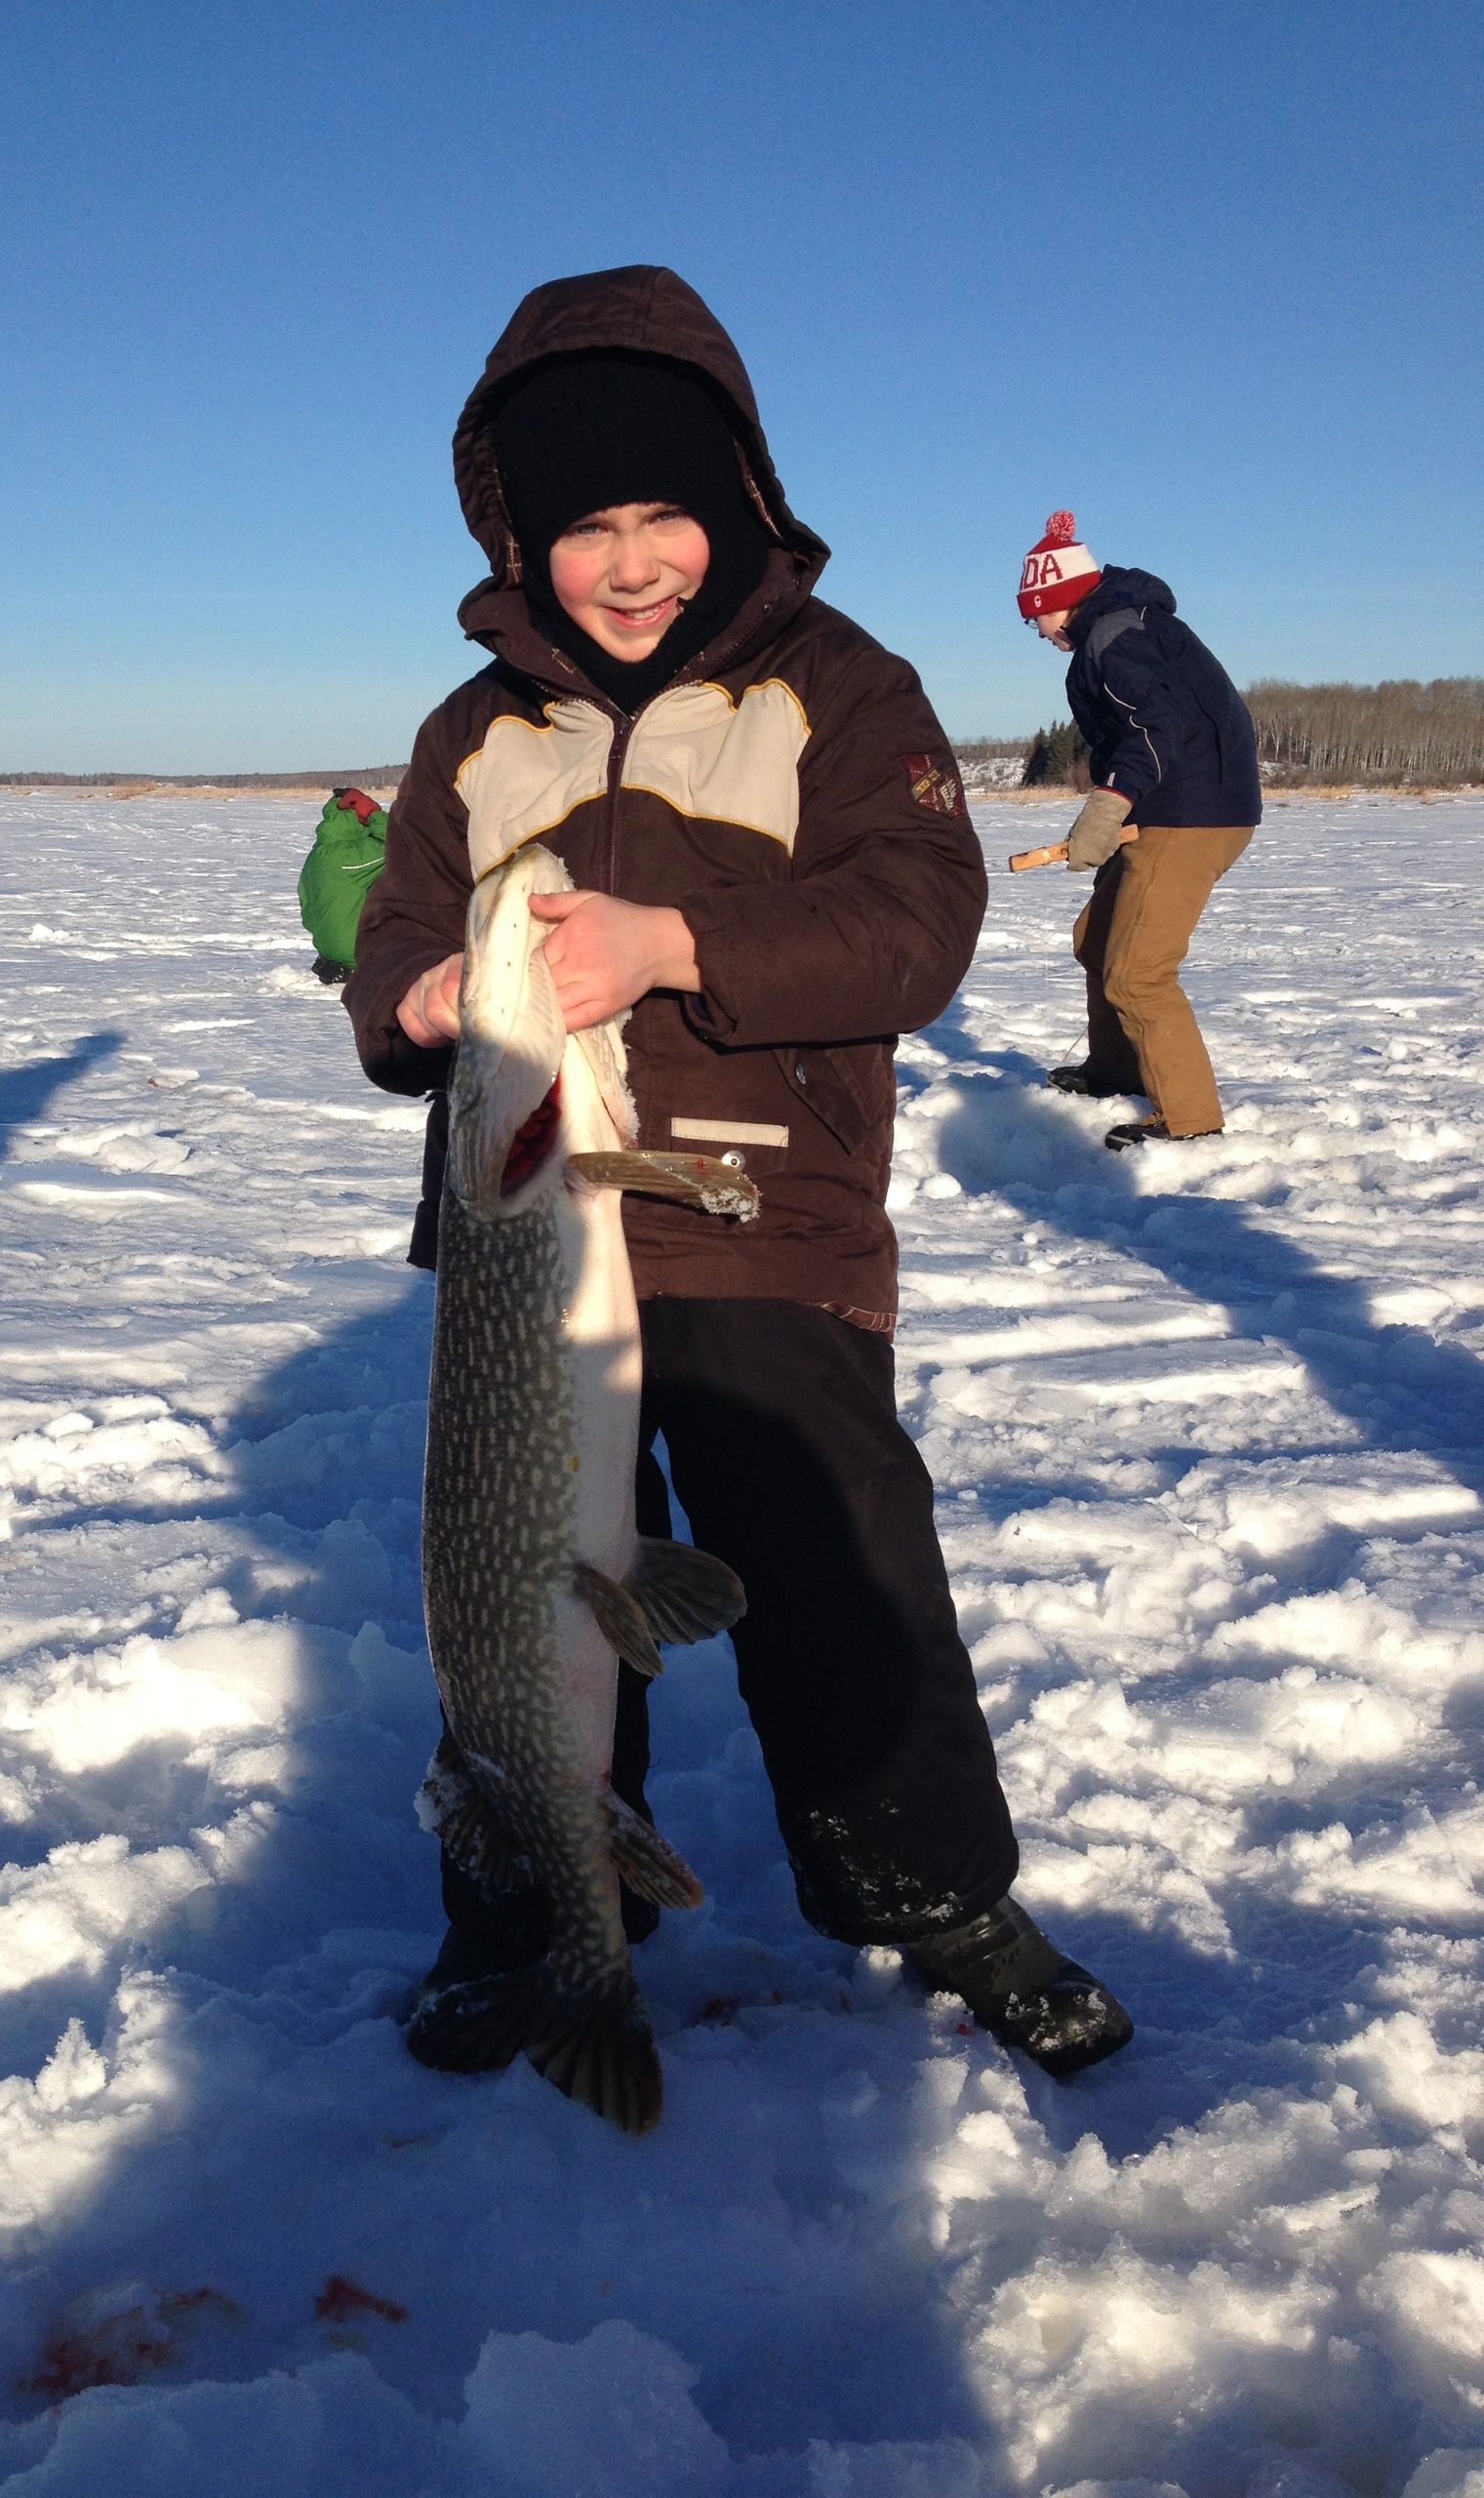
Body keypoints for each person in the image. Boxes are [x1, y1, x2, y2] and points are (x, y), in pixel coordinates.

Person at [346, 267, 1133, 2081]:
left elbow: (919, 926)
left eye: (665, 516)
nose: (631, 564)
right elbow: (389, 940)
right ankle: (543, 1902)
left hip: (756, 1218)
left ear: (739, 501)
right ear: (520, 538)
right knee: (520, 1587)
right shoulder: (475, 734)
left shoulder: (841, 692)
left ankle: (931, 1893)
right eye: (585, 529)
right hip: (525, 1221)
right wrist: (424, 992)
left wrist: (676, 943)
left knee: (839, 1556)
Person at [1019, 511, 1262, 1150]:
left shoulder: (1115, 637)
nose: (1035, 631)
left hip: (1187, 816)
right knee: (1097, 940)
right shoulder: (1122, 629)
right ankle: (1115, 1069)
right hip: (1171, 808)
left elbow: (1158, 727)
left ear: (1059, 601)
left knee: (1137, 973)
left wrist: (1110, 803)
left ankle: (1189, 1120)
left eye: (1034, 616)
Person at [298, 786, 389, 984]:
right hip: (355, 949)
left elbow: (306, 907)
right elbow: (396, 844)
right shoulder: (346, 856)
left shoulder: (317, 856)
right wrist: (375, 815)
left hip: (327, 947)